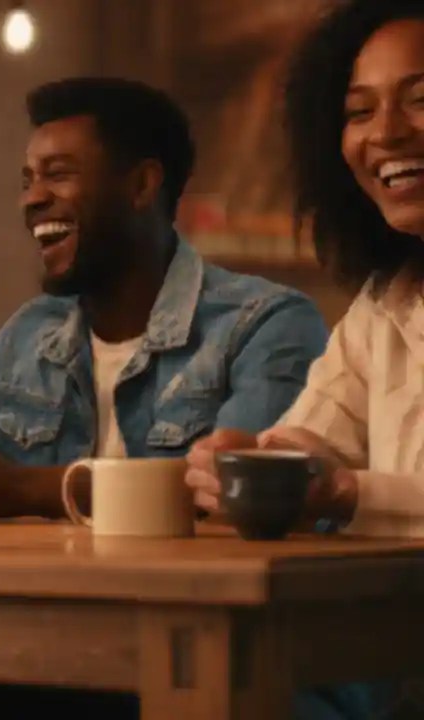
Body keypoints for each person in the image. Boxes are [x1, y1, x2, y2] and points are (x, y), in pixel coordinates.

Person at [0, 77, 331, 718]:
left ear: (142, 185)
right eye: (27, 180)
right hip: (52, 660)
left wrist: (25, 489)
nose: (33, 198)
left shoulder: (265, 324)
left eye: (58, 174)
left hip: (212, 669)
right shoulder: (31, 333)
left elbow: (241, 500)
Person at [188, 2, 424, 716]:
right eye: (358, 111)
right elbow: (314, 438)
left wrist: (349, 493)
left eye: (420, 99)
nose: (385, 133)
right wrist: (253, 460)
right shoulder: (387, 303)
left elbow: (340, 485)